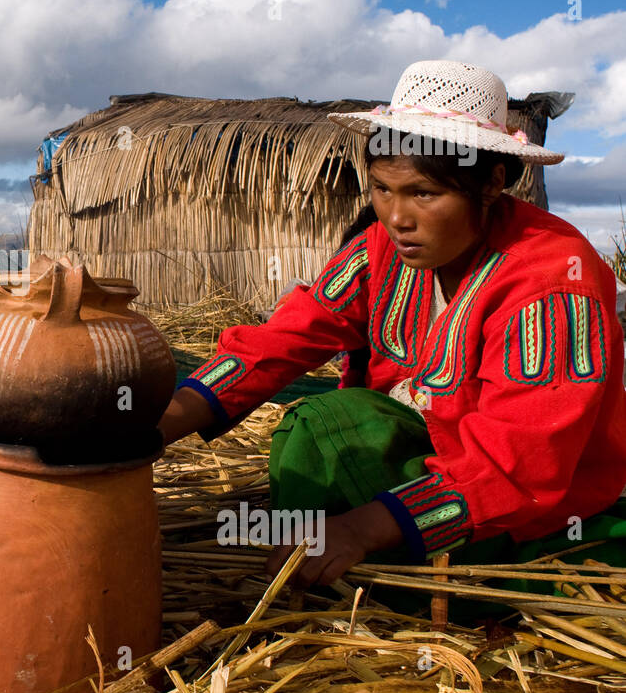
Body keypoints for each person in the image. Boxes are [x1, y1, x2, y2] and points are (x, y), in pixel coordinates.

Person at [159, 60, 626, 590]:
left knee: (330, 424)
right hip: (420, 463)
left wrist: (358, 531)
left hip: (522, 511)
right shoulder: (381, 250)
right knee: (320, 432)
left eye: (424, 193)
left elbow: (522, 465)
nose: (396, 216)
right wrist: (162, 425)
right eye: (383, 189)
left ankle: (393, 581)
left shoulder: (550, 283)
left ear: (493, 181)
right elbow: (288, 335)